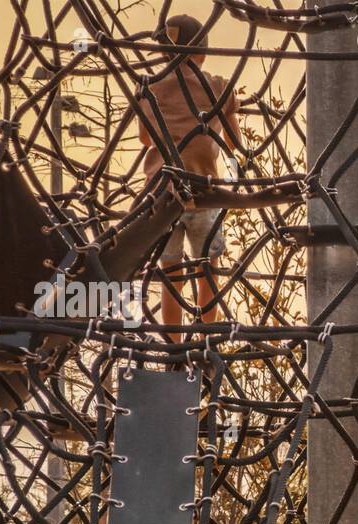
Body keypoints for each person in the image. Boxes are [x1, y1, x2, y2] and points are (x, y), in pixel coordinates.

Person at [137, 14, 242, 336]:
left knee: (171, 271)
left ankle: (173, 339)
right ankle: (205, 333)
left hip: (162, 191)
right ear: (203, 51)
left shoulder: (150, 86)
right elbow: (233, 141)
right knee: (208, 267)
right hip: (203, 189)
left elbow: (145, 138)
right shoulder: (217, 86)